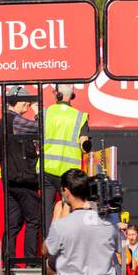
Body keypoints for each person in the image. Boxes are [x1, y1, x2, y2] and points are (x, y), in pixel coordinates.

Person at [0, 90, 43, 264]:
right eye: (25, 102)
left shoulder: (0, 123)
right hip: (24, 179)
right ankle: (31, 261)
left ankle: (8, 261)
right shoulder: (15, 120)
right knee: (34, 219)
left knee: (12, 223)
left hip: (9, 180)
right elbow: (40, 128)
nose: (28, 105)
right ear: (15, 102)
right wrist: (38, 113)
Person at [40, 84, 89, 233]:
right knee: (69, 207)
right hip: (68, 174)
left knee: (46, 212)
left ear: (57, 94)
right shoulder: (80, 117)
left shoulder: (45, 113)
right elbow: (84, 144)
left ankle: (48, 248)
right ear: (72, 96)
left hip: (46, 168)